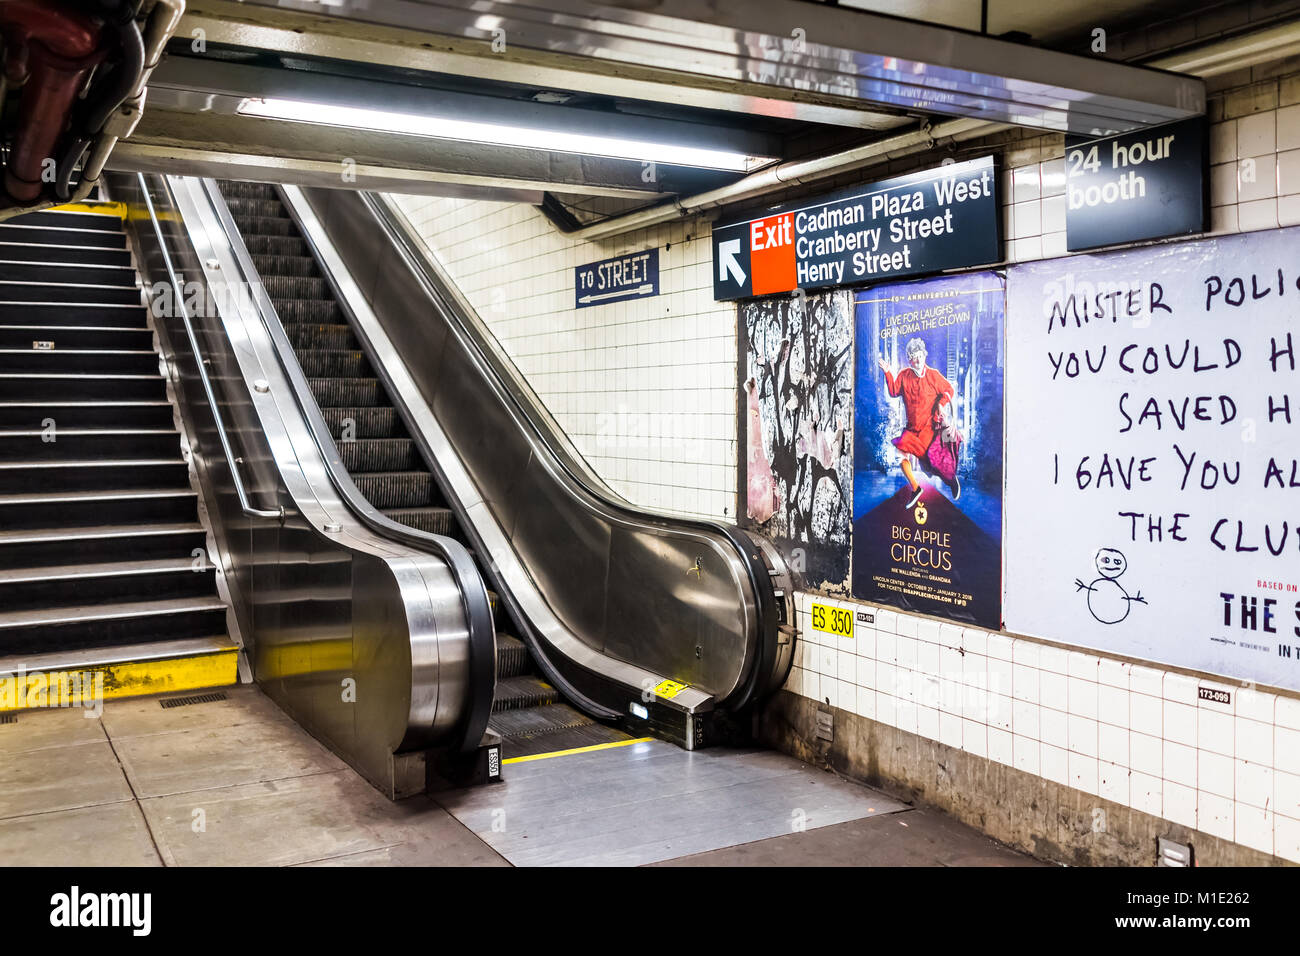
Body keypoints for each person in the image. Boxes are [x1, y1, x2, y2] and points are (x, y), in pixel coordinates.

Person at [878, 337, 960, 509]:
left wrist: (941, 403)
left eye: (919, 356)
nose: (917, 360)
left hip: (929, 430)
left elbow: (949, 390)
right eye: (913, 356)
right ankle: (915, 489)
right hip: (912, 429)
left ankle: (951, 480)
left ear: (925, 355)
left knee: (934, 467)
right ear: (909, 358)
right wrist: (887, 373)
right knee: (900, 453)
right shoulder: (904, 375)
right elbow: (894, 391)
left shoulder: (933, 376)